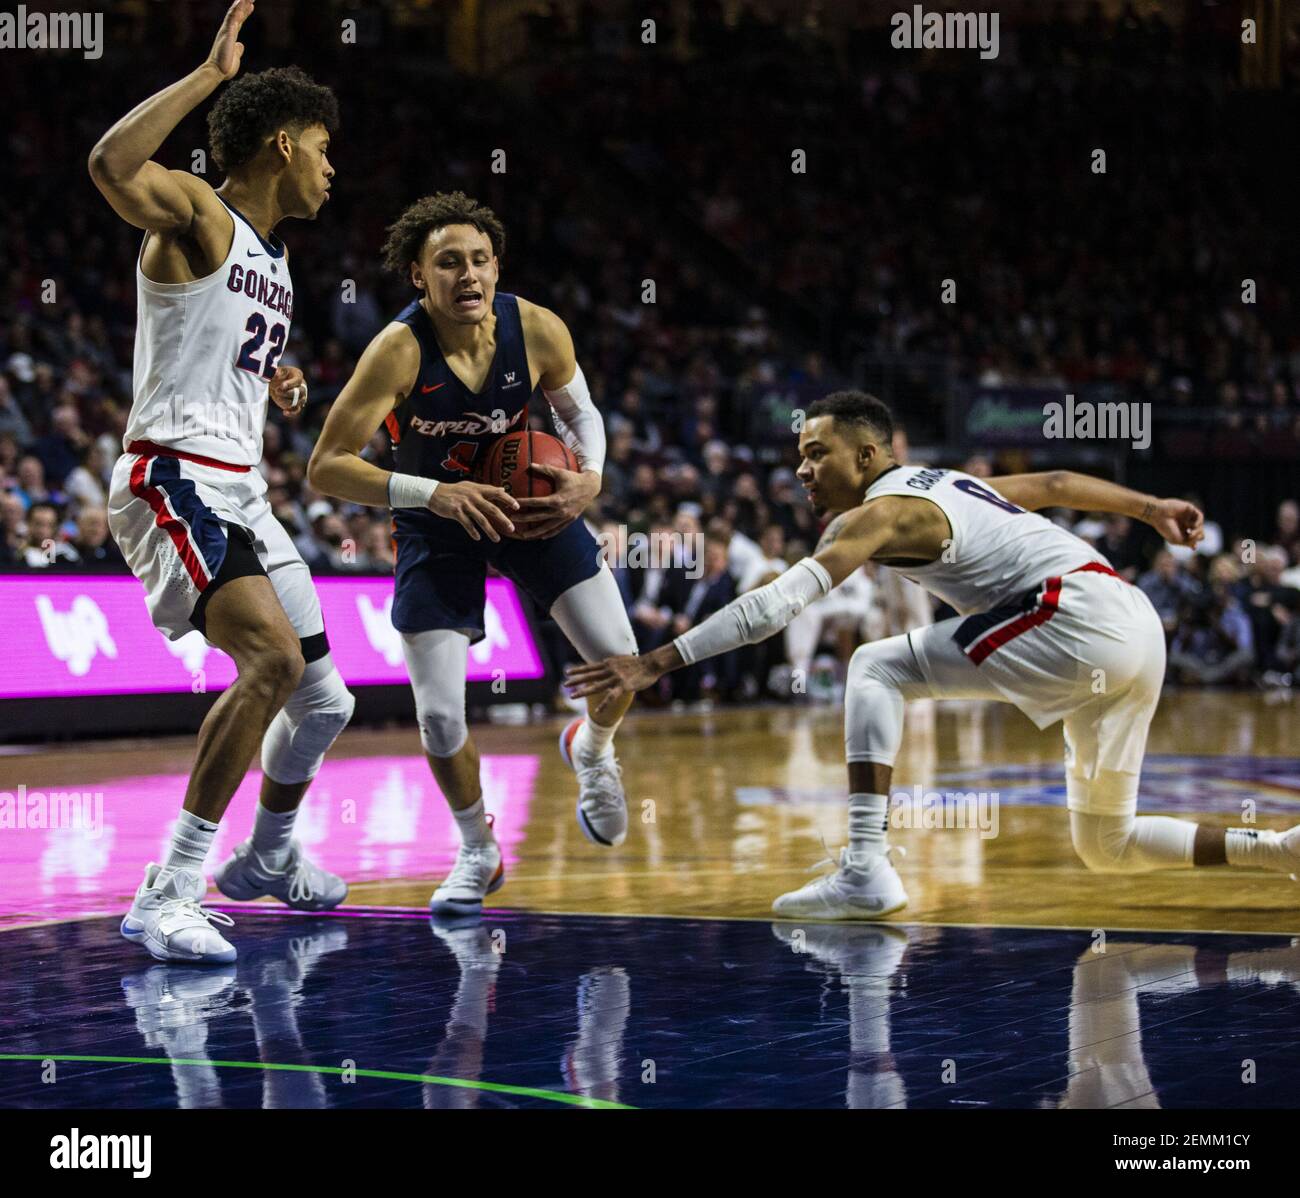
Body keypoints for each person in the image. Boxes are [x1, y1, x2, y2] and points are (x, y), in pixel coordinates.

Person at [568, 391, 1300, 918]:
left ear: (866, 454)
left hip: (1073, 617)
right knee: (1107, 843)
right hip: (1130, 623)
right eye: (798, 457)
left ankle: (865, 868)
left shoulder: (882, 511)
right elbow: (1051, 486)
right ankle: (1280, 853)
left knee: (874, 666)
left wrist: (652, 663)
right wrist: (1151, 509)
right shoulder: (950, 480)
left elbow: (776, 606)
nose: (802, 470)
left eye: (815, 453)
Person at [90, 0, 350, 963]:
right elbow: (111, 168)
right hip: (175, 478)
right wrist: (210, 77)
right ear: (282, 144)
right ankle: (167, 891)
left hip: (242, 486)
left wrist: (275, 377)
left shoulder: (277, 261)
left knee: (327, 702)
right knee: (272, 666)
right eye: (323, 148)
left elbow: (220, 351)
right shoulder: (201, 214)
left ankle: (267, 859)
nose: (333, 167)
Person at [308, 191, 639, 918]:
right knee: (441, 721)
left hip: (532, 508)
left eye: (480, 260)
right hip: (437, 525)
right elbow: (326, 465)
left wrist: (592, 478)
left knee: (621, 664)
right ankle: (476, 847)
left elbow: (580, 413)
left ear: (497, 268)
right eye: (448, 263)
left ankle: (593, 747)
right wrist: (431, 494)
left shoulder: (538, 328)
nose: (469, 275)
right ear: (418, 278)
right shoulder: (397, 350)